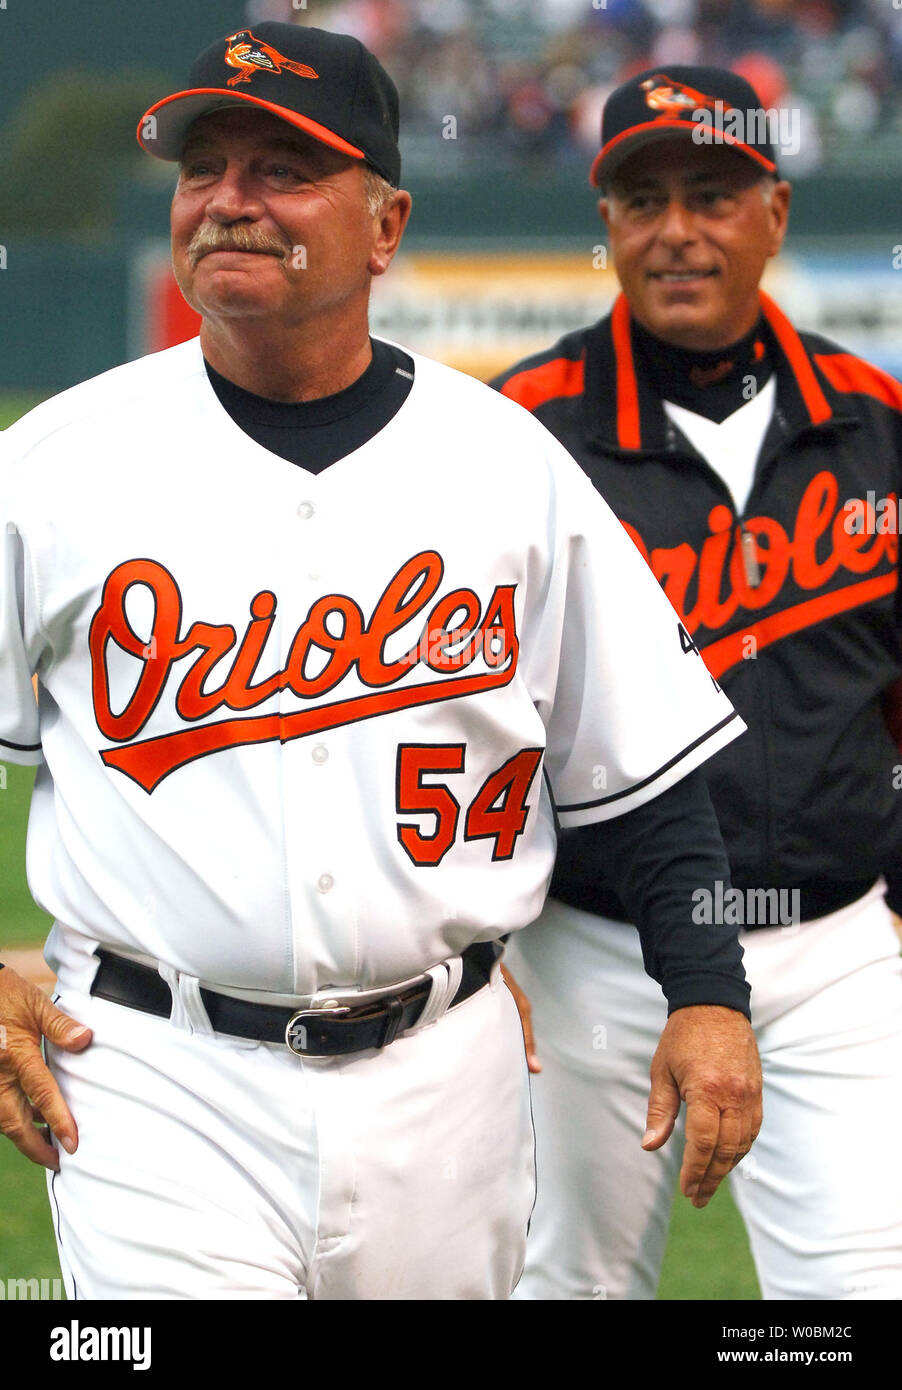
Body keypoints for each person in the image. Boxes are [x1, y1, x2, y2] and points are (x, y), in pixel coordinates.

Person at [0, 29, 760, 1301]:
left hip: (446, 1076)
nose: (229, 199)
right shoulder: (55, 462)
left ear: (384, 222)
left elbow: (643, 771)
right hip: (148, 1067)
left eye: (284, 166)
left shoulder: (505, 463)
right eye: (207, 166)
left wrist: (706, 995)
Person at [493, 64, 902, 1301]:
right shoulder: (524, 434)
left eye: (712, 195)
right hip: (593, 952)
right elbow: (465, 722)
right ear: (604, 221)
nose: (676, 229)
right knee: (568, 1281)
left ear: (772, 212)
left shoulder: (875, 415)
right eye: (642, 197)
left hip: (831, 943)